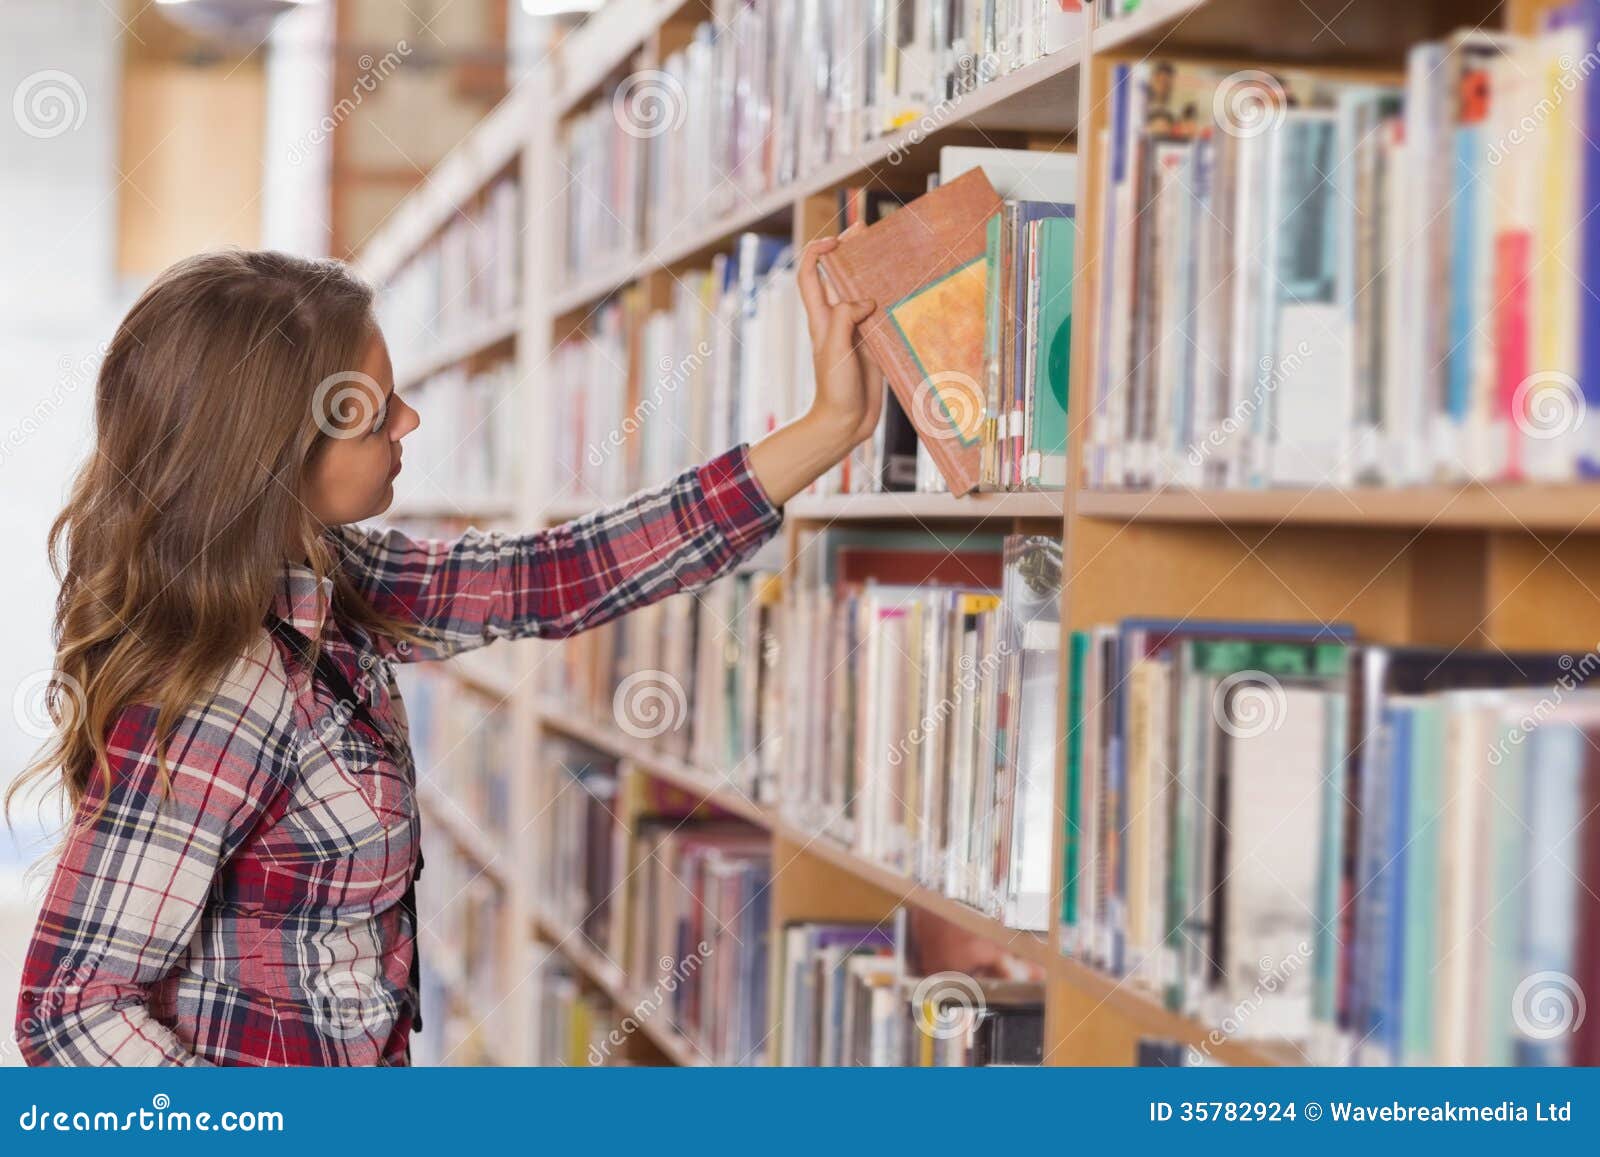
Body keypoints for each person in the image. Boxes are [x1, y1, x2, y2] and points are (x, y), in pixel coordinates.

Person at [7, 237, 879, 1066]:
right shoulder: (225, 688)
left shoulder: (320, 577)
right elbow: (72, 1009)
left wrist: (831, 426)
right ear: (269, 449)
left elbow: (555, 575)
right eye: (376, 411)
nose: (410, 420)